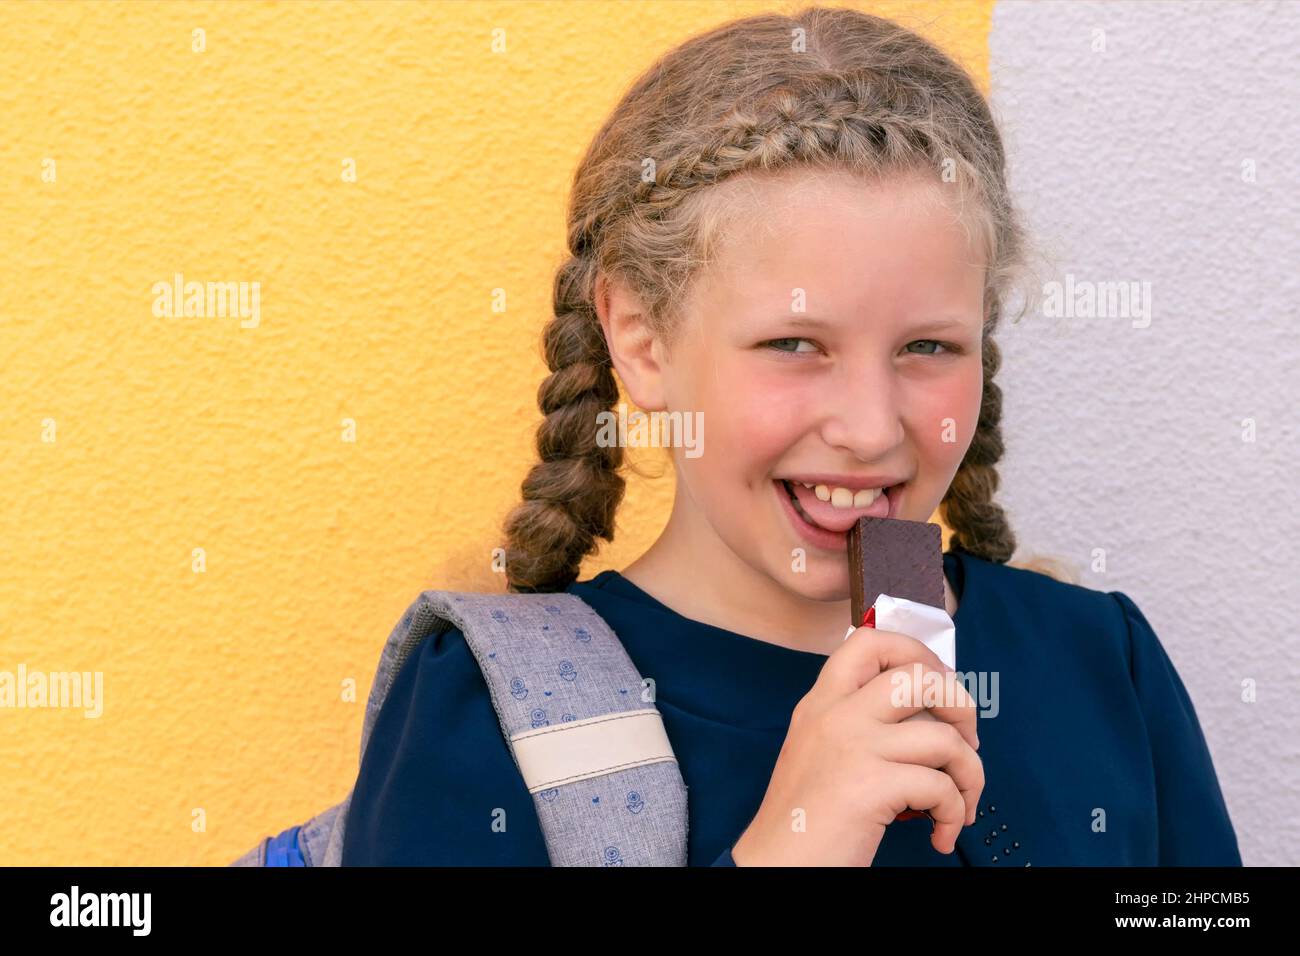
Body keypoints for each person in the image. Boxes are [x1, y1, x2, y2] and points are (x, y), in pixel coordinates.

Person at [341, 6, 1240, 866]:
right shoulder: (491, 710)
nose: (868, 428)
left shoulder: (1098, 660)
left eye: (928, 346)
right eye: (795, 346)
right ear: (643, 342)